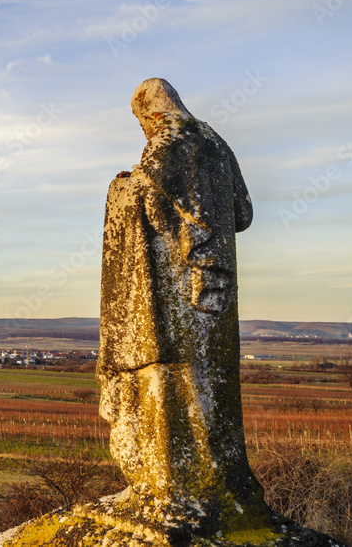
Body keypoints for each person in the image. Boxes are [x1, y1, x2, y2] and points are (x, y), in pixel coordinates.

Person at [96, 78, 265, 536]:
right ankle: (223, 486)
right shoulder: (216, 142)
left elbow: (148, 205)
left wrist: (123, 188)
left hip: (172, 296)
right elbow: (243, 214)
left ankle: (173, 487)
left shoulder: (167, 141)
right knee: (214, 385)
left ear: (148, 115)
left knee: (171, 381)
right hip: (218, 295)